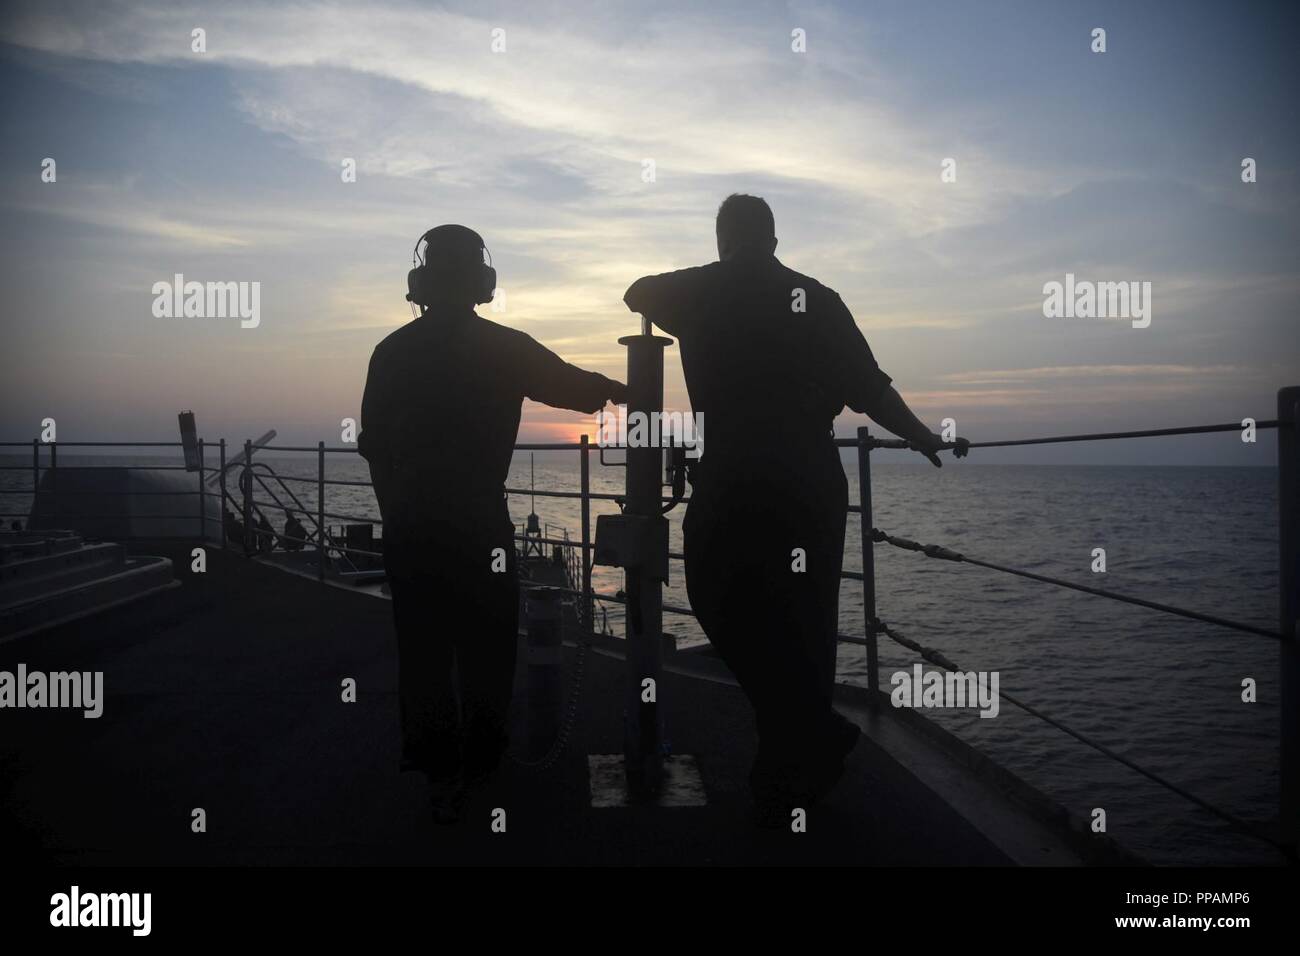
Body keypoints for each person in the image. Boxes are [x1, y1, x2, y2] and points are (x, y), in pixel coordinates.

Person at [623, 194, 967, 822]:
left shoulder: (698, 294)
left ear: (724, 238)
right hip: (807, 482)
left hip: (734, 478)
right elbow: (870, 389)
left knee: (717, 597)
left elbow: (637, 292)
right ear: (774, 240)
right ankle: (809, 742)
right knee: (802, 626)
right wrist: (920, 435)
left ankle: (790, 770)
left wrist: (713, 285)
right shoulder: (818, 300)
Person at [359, 224, 627, 823]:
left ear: (421, 281)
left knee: (424, 653)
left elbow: (374, 446)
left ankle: (437, 772)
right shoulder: (505, 348)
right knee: (487, 648)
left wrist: (396, 515)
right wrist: (628, 387)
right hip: (481, 526)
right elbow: (573, 386)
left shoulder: (391, 352)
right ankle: (482, 764)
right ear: (482, 281)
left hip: (412, 526)